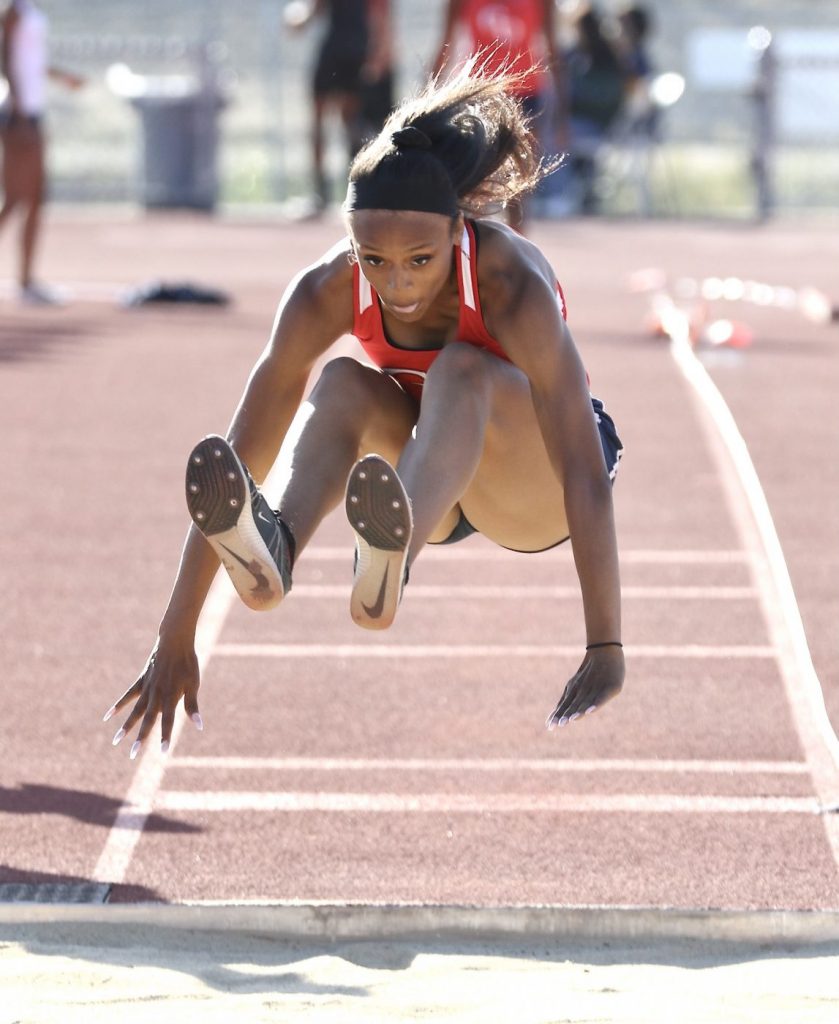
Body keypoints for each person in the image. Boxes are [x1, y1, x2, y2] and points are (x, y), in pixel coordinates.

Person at [104, 59, 625, 759]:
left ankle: (390, 555)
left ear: (456, 233)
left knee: (462, 368)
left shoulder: (509, 285)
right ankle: (280, 544)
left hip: (535, 486)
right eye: (374, 260)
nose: (397, 283)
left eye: (419, 260)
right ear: (352, 243)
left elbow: (584, 472)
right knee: (342, 381)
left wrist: (604, 642)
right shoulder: (325, 289)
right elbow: (242, 453)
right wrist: (176, 632)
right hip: (434, 478)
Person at [431, 0, 567, 231]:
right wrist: (430, 99)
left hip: (526, 95)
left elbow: (552, 49)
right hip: (481, 95)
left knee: (518, 189)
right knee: (474, 183)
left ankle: (517, 246)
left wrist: (562, 116)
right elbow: (446, 46)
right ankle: (471, 247)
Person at [0, 0, 83, 304]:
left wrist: (61, 76)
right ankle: (26, 282)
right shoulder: (15, 9)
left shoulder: (29, 9)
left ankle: (26, 282)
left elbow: (30, 60)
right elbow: (5, 54)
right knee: (19, 198)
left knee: (30, 198)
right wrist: (19, 108)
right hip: (19, 116)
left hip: (30, 113)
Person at [284, 0, 392, 213]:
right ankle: (336, 192)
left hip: (348, 50)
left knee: (345, 123)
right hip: (350, 49)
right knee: (336, 122)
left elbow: (378, 13)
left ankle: (348, 190)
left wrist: (379, 51)